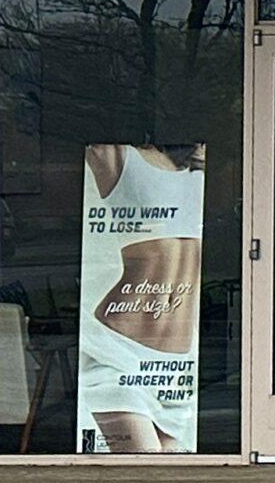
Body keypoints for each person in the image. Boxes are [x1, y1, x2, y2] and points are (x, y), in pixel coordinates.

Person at [78, 144, 206, 454]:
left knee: (172, 471)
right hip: (118, 353)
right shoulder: (116, 153)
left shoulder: (201, 165)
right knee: (143, 463)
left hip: (177, 366)